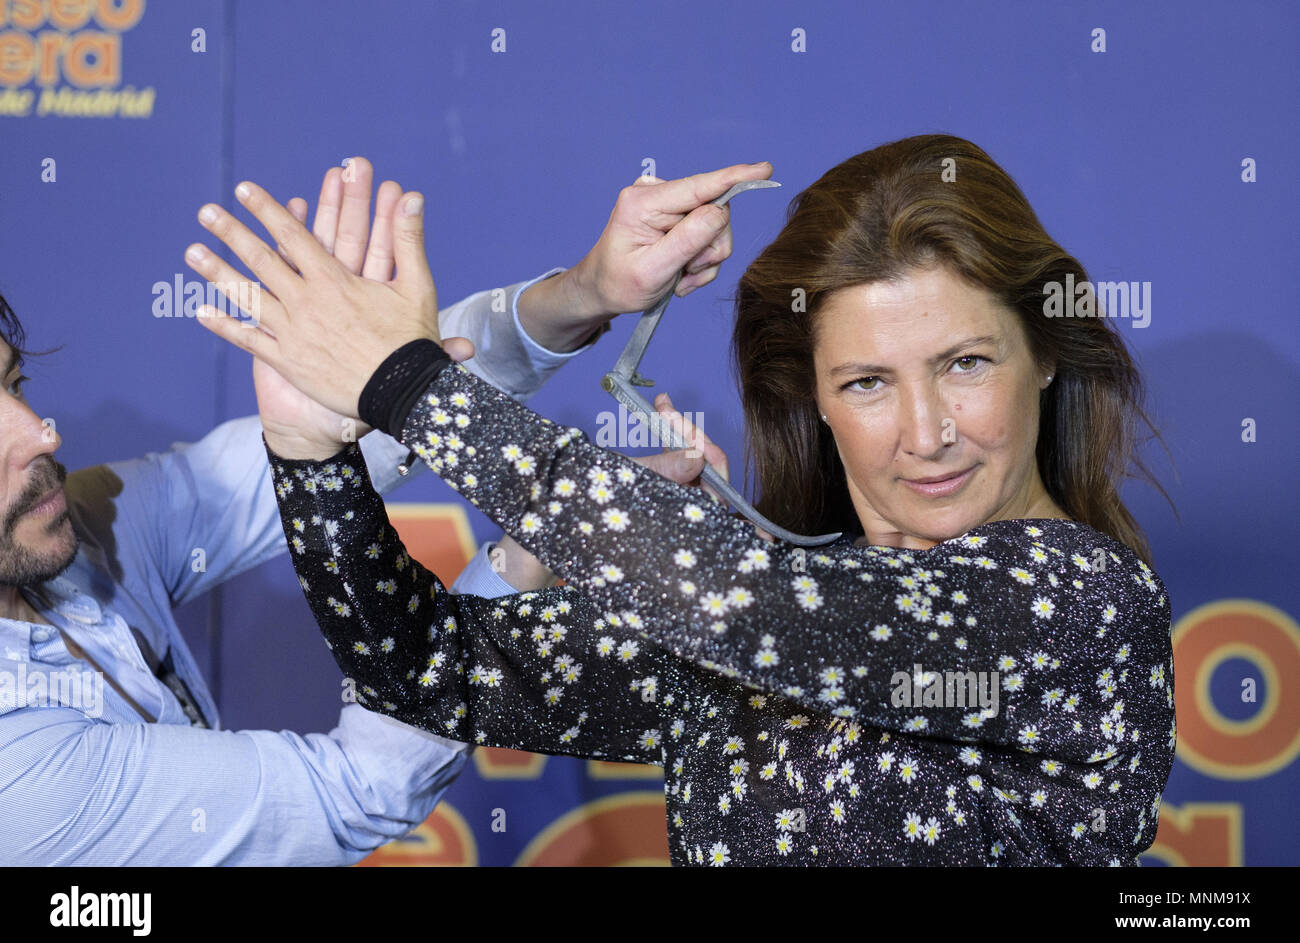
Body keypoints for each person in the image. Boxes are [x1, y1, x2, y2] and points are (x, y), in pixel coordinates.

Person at [188, 134, 1176, 865]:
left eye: (964, 362)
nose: (924, 431)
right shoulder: (776, 618)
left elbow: (752, 613)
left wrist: (406, 383)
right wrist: (310, 450)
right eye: (868, 382)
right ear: (816, 402)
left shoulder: (1083, 600)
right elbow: (430, 667)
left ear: (1044, 357)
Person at [0, 156, 750, 864]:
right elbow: (358, 790)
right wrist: (546, 539)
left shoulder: (71, 526)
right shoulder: (15, 774)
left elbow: (361, 404)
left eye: (16, 384)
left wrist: (581, 294)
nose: (41, 434)